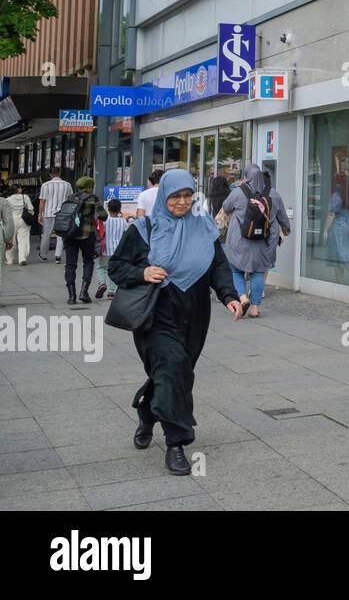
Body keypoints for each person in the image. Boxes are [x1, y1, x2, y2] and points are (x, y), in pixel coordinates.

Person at [109, 170, 242, 476]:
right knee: (172, 370)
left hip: (194, 315)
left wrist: (229, 296)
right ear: (164, 196)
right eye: (175, 196)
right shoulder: (144, 228)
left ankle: (147, 410)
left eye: (187, 196)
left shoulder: (204, 227)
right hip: (156, 314)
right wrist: (142, 273)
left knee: (177, 372)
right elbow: (116, 266)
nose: (182, 202)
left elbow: (218, 267)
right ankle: (176, 444)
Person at [221, 164, 289, 318]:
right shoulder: (274, 194)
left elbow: (225, 206)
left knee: (235, 270)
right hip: (264, 242)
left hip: (239, 241)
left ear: (247, 176)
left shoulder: (238, 192)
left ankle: (243, 298)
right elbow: (282, 217)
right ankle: (255, 308)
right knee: (258, 272)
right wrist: (286, 229)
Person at [63, 176, 108, 305]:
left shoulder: (71, 197)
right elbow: (103, 216)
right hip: (86, 235)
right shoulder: (92, 198)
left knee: (70, 264)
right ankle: (84, 292)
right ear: (88, 186)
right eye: (92, 186)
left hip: (70, 234)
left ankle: (72, 296)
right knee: (88, 261)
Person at [95, 198, 129, 299]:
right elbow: (127, 235)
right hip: (117, 251)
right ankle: (111, 293)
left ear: (108, 209)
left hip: (105, 250)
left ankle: (102, 283)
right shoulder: (123, 222)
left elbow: (99, 233)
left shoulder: (104, 222)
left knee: (100, 267)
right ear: (119, 210)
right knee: (114, 270)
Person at [37, 168, 73, 263]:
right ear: (60, 173)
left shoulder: (45, 185)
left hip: (48, 213)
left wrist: (40, 214)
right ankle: (58, 256)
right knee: (60, 236)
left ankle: (43, 255)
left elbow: (42, 201)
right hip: (62, 214)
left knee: (46, 235)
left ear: (50, 174)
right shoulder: (67, 185)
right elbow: (70, 200)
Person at [323, 172, 349, 286]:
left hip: (339, 228)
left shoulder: (337, 195)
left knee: (338, 259)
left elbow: (331, 214)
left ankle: (340, 284)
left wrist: (325, 229)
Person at [4, 184, 34, 267]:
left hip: (12, 221)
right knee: (23, 239)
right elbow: (31, 209)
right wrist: (31, 214)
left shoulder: (8, 199)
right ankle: (22, 258)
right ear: (19, 189)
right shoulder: (25, 197)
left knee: (11, 240)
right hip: (23, 220)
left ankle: (10, 260)